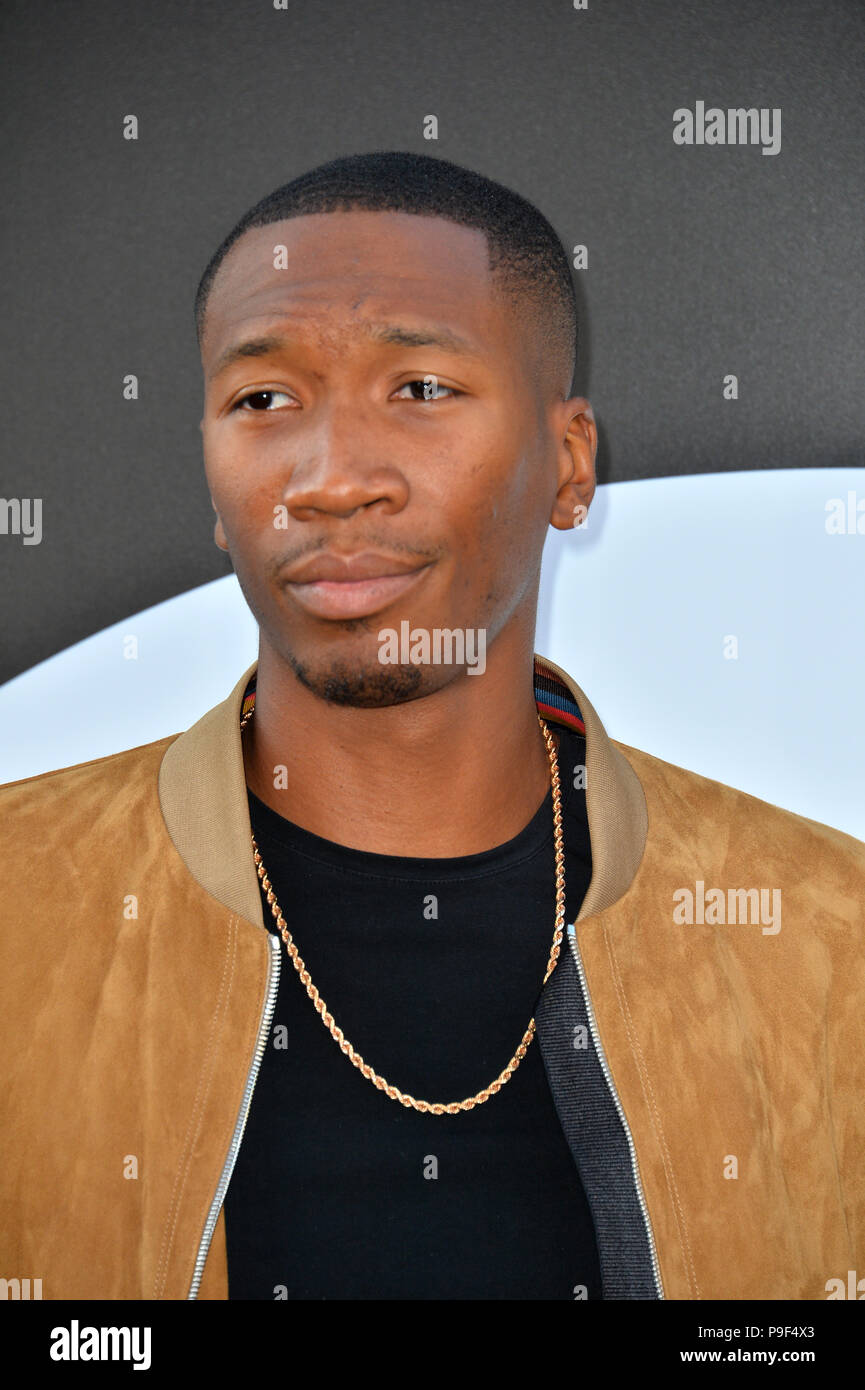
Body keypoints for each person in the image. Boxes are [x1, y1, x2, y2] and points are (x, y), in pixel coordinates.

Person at [1, 151, 862, 1302]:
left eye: (419, 389)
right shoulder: (23, 903)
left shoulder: (825, 937)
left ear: (569, 462)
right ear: (212, 483)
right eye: (264, 400)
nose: (331, 476)